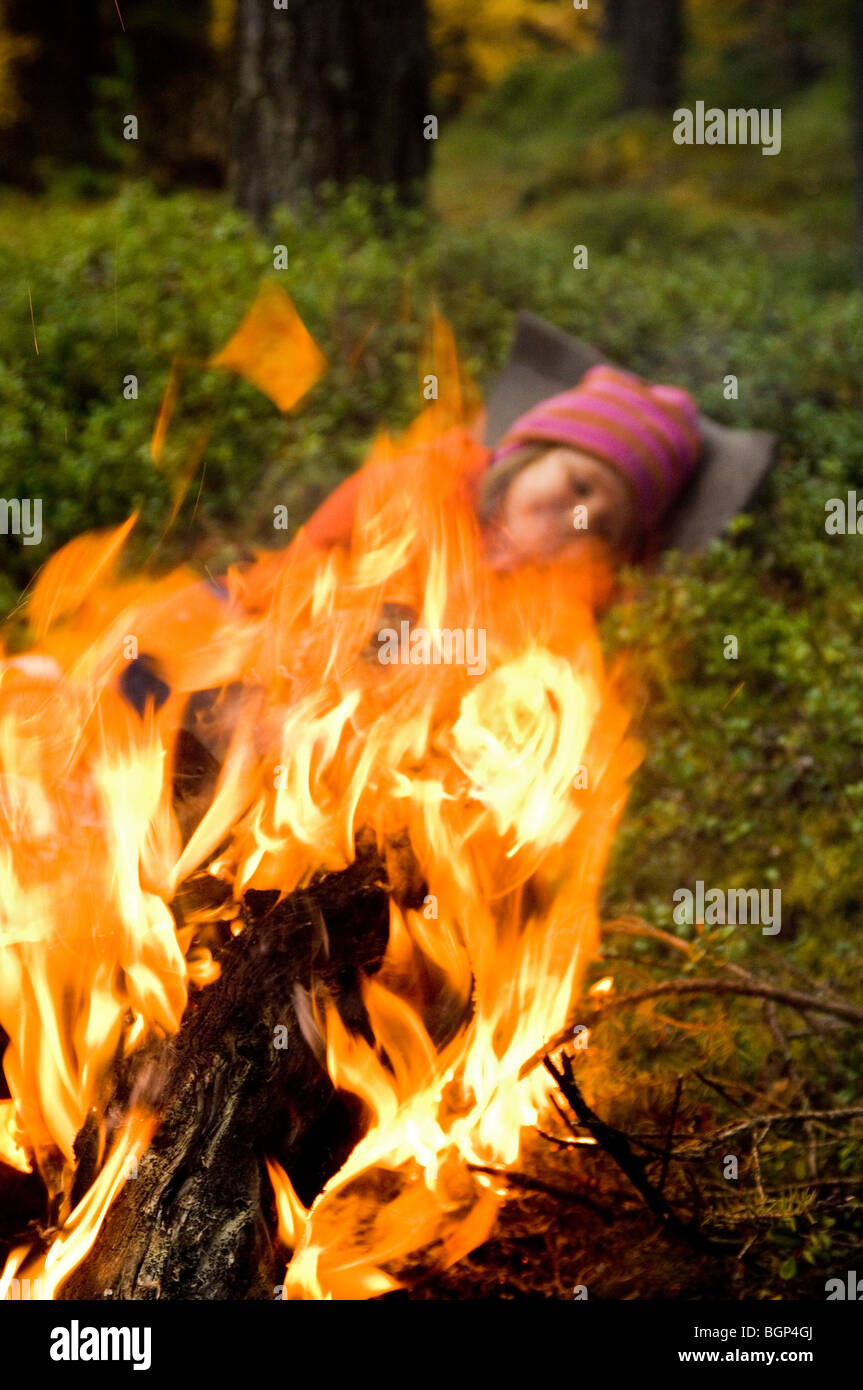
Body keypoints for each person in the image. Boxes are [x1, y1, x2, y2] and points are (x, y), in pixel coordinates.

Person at [303, 363, 703, 575]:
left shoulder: (560, 605)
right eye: (580, 487)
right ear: (527, 457)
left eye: (603, 528)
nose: (582, 517)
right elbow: (305, 560)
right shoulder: (416, 484)